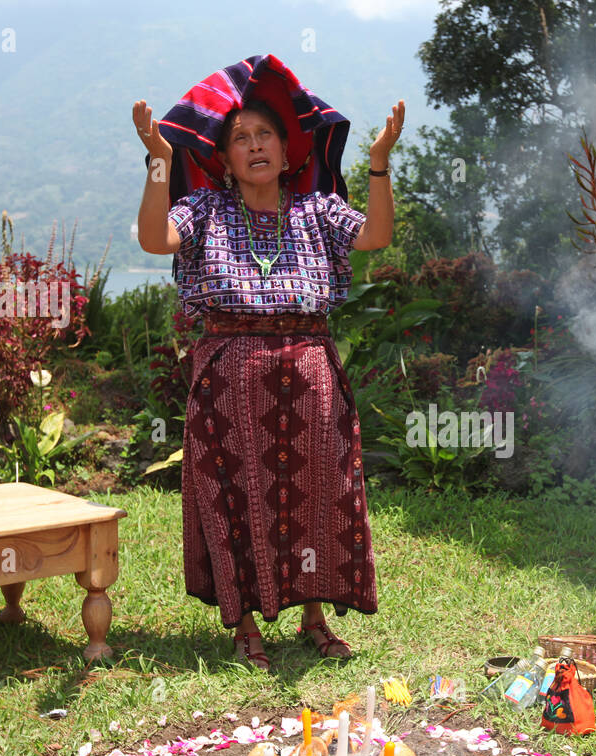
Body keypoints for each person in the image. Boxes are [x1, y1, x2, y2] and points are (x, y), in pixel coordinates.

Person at [132, 54, 403, 670]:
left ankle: (314, 616)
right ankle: (246, 623)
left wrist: (379, 163)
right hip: (228, 376)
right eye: (240, 139)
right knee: (236, 491)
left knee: (318, 492)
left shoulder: (320, 211)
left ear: (288, 150)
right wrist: (159, 162)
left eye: (265, 136)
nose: (254, 147)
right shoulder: (202, 211)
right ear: (223, 159)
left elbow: (376, 236)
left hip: (309, 369)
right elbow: (154, 239)